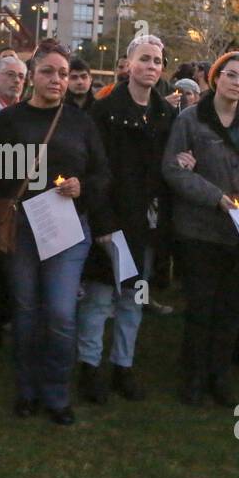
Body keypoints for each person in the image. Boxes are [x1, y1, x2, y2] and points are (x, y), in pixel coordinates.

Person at [0, 42, 110, 425]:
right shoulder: (9, 121)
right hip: (22, 227)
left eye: (63, 73)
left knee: (59, 311)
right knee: (25, 310)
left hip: (67, 229)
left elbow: (103, 172)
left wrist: (81, 186)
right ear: (32, 77)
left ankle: (56, 393)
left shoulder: (80, 121)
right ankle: (26, 389)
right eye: (49, 72)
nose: (57, 79)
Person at [163, 51, 239, 406]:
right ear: (216, 78)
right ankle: (194, 378)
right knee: (201, 309)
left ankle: (221, 376)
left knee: (232, 310)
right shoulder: (190, 119)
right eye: (231, 75)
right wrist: (215, 197)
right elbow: (172, 168)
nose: (237, 83)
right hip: (201, 231)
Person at [76, 34, 177, 403]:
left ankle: (123, 365)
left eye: (157, 61)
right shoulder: (103, 112)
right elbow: (94, 169)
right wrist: (102, 223)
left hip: (148, 225)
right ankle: (89, 366)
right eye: (145, 59)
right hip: (114, 217)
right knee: (101, 298)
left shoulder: (167, 114)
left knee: (135, 297)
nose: (151, 66)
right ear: (129, 63)